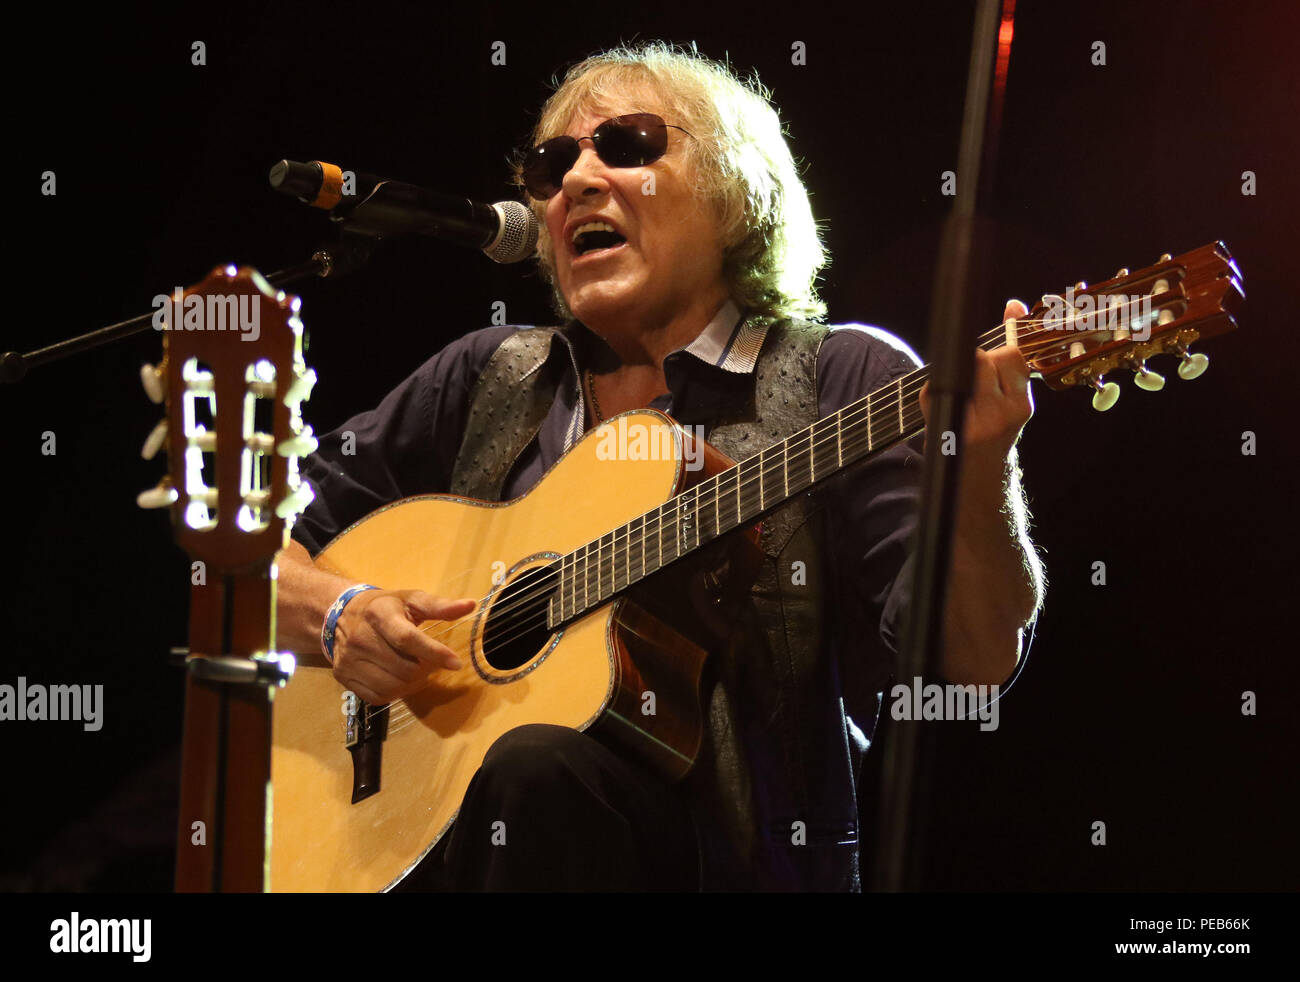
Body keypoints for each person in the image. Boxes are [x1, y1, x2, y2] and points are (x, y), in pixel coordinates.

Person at [274, 41, 1044, 891]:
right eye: (552, 162)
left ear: (737, 192)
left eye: (630, 145)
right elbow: (246, 555)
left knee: (537, 766)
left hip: (730, 867)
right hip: (451, 856)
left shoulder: (845, 380)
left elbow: (973, 663)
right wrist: (341, 611)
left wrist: (981, 475)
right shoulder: (486, 375)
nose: (575, 181)